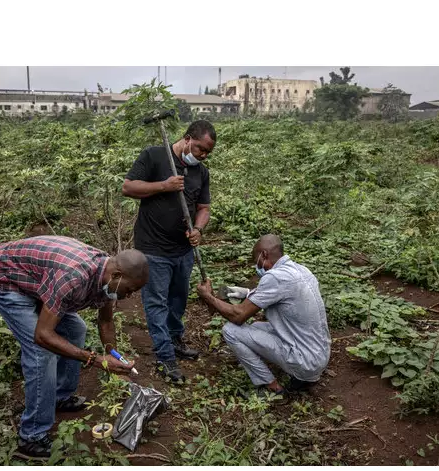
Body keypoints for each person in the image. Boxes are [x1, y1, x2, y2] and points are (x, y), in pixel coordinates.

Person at [0, 235, 148, 458]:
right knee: (41, 351)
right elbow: (43, 336)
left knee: (76, 329)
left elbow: (105, 321)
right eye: (131, 289)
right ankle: (31, 436)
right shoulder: (74, 277)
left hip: (37, 281)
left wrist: (112, 354)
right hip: (5, 277)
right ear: (117, 275)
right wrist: (95, 359)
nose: (130, 296)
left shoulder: (108, 278)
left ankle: (60, 396)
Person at [122, 120, 216, 384]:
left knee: (178, 300)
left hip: (183, 250)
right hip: (153, 249)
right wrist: (163, 186)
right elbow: (128, 187)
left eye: (207, 152)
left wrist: (198, 228)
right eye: (200, 149)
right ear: (187, 139)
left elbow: (204, 207)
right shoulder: (154, 156)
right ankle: (165, 357)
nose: (203, 155)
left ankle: (175, 341)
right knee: (156, 303)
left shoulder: (201, 172)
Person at [196, 235, 331, 401]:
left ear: (264, 255)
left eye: (256, 260)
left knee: (230, 330)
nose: (256, 265)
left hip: (305, 362)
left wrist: (208, 297)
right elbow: (278, 294)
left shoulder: (275, 277)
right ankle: (301, 374)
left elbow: (238, 316)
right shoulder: (301, 270)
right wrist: (245, 292)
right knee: (258, 327)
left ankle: (270, 386)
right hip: (319, 355)